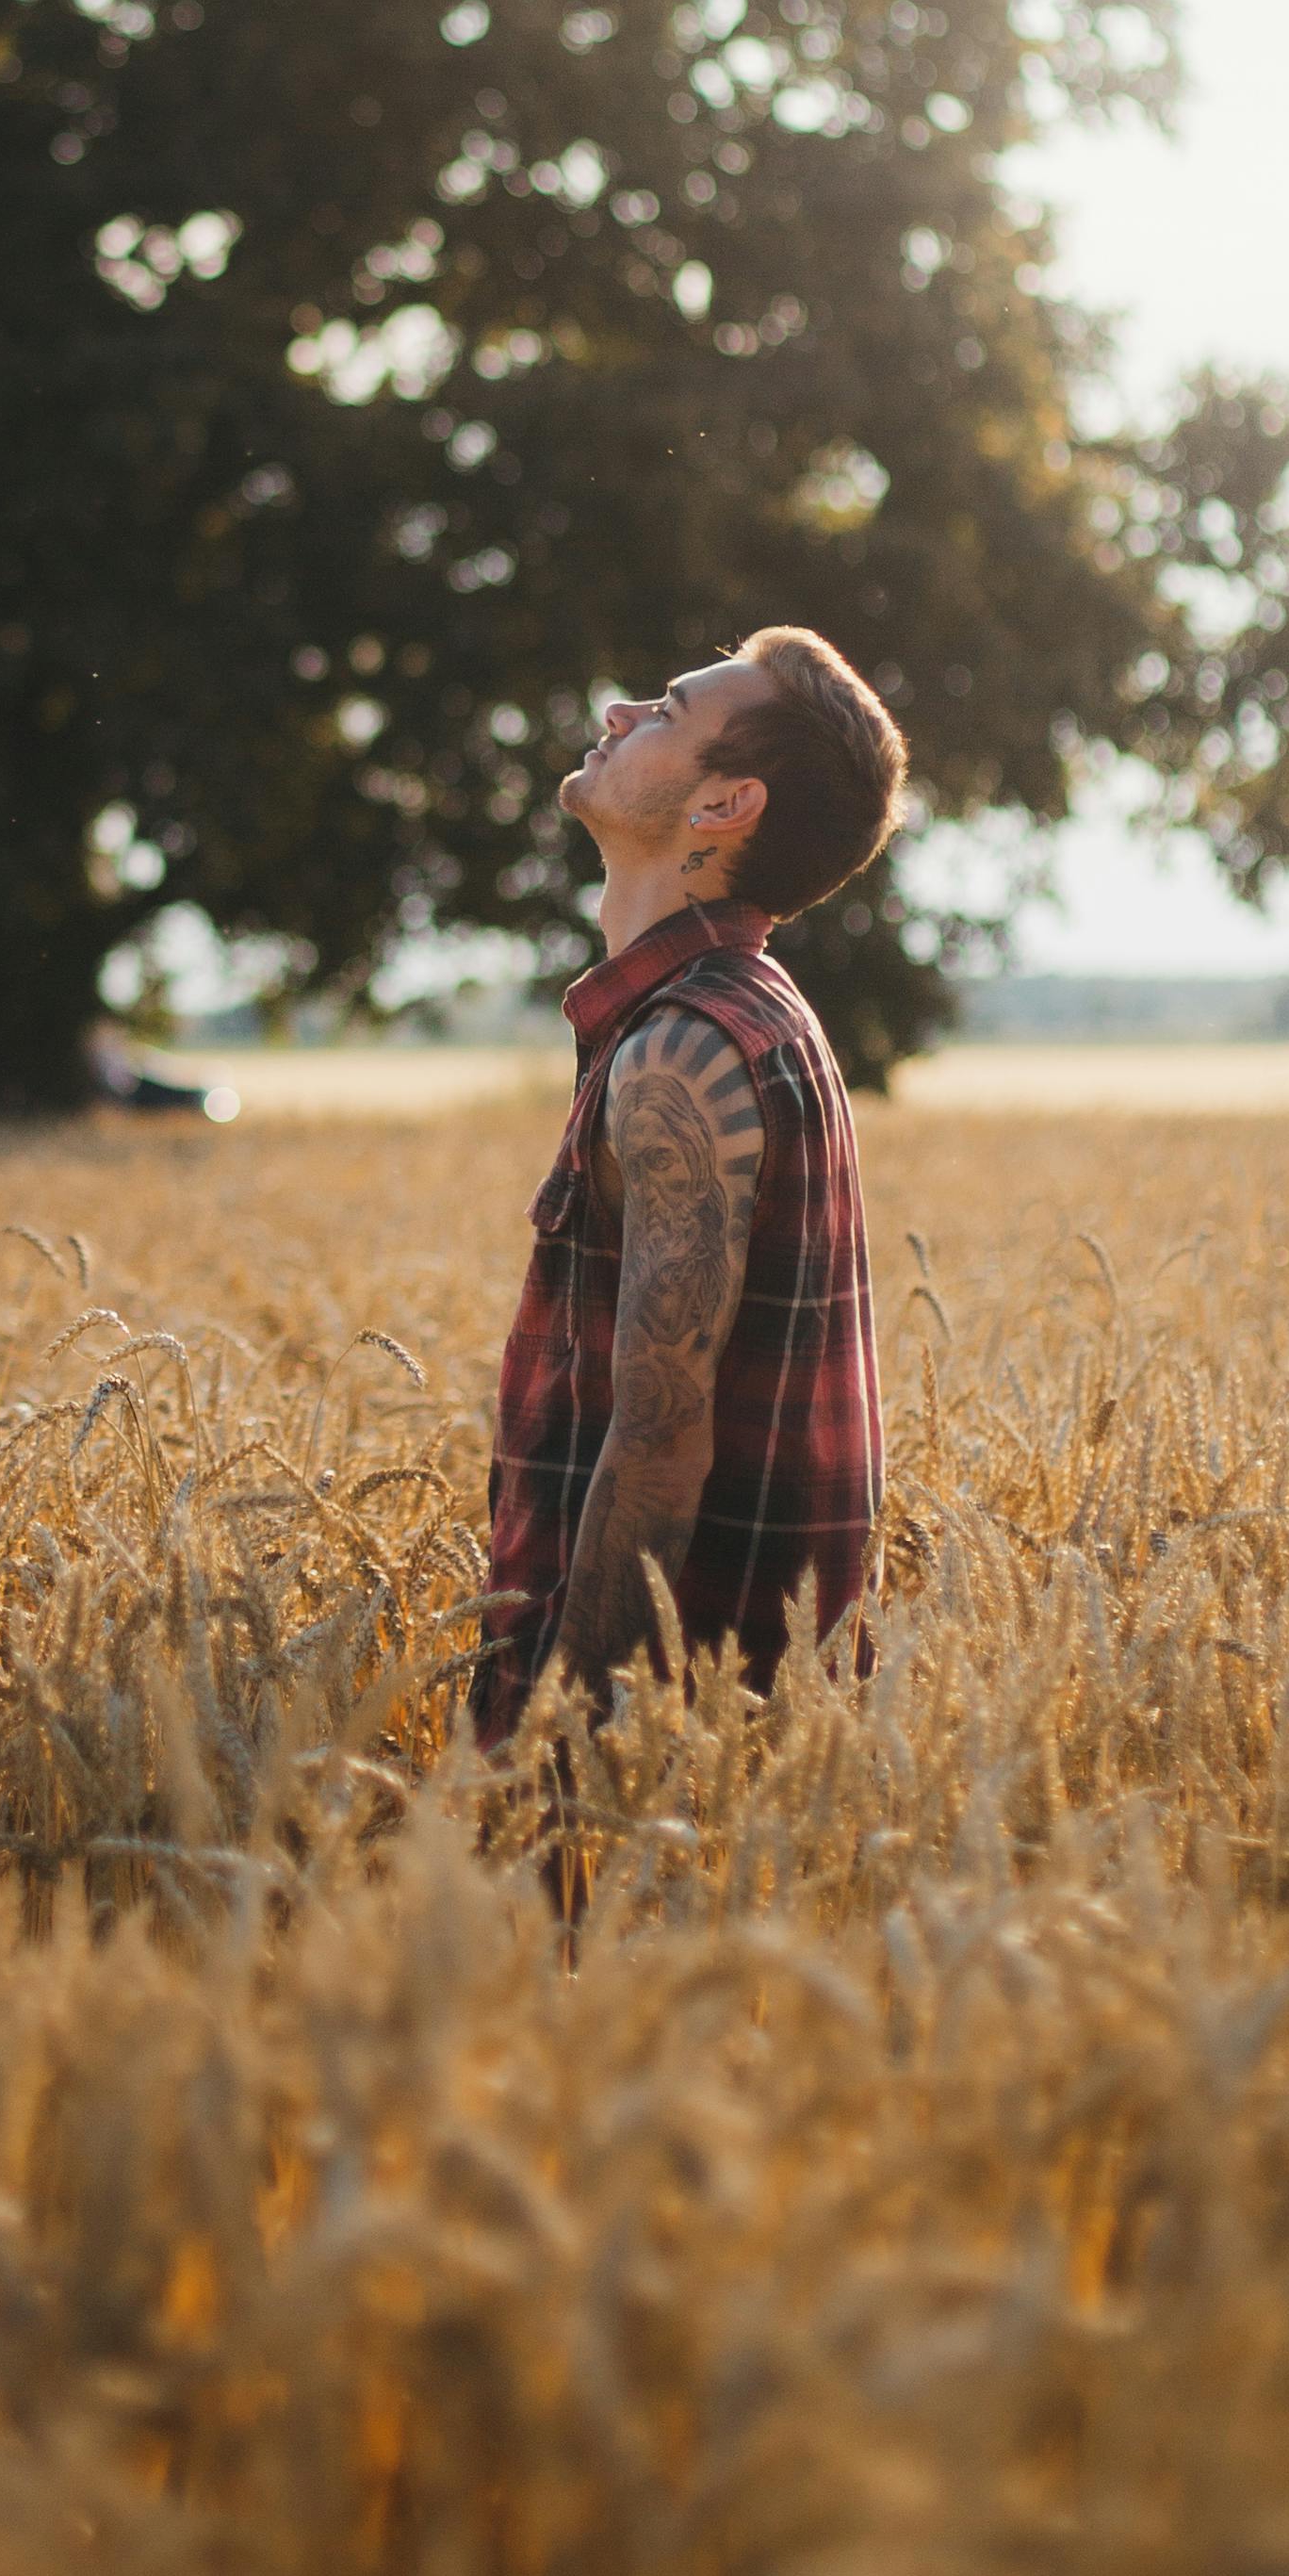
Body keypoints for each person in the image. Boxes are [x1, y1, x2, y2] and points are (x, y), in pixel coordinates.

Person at [471, 625, 906, 1742]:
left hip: (668, 1721)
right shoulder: (746, 1014)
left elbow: (662, 1442)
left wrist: (561, 1742)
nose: (620, 714)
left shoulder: (686, 1049)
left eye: (666, 711)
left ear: (725, 807)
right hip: (717, 1718)